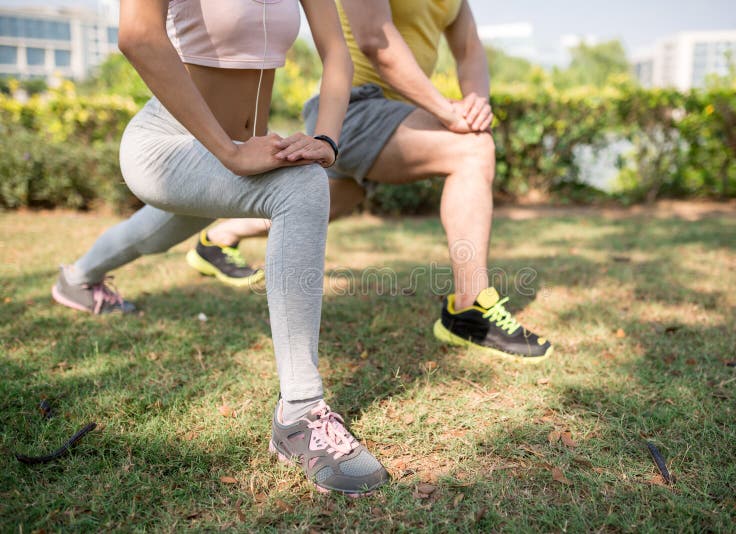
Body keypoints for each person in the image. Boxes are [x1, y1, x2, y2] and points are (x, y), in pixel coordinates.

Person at [51, 0, 388, 497]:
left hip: (231, 151)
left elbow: (336, 51)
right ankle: (299, 413)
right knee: (301, 187)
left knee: (158, 231)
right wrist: (229, 152)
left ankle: (78, 279)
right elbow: (138, 36)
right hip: (166, 145)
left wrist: (327, 140)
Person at [186, 0, 554, 362]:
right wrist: (447, 111)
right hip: (351, 110)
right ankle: (469, 308)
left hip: (397, 117)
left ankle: (216, 238)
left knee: (330, 199)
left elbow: (470, 49)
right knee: (473, 150)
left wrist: (476, 104)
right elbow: (373, 40)